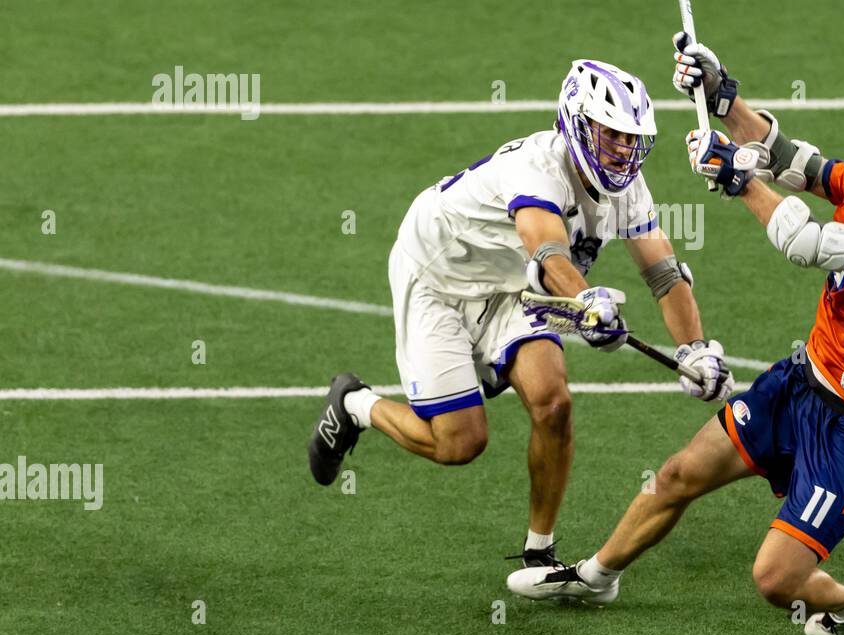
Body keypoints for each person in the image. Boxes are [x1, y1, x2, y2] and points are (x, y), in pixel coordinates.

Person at [508, 36, 844, 635]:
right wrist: (724, 96)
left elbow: (808, 245)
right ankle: (596, 575)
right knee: (676, 475)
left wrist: (739, 181)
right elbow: (790, 158)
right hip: (800, 381)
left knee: (775, 580)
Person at [307, 59, 735, 570]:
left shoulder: (628, 189)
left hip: (514, 288)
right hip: (438, 278)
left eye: (631, 139)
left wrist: (695, 348)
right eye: (612, 135)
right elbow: (547, 253)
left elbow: (664, 276)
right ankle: (355, 404)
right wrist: (586, 303)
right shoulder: (538, 168)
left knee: (554, 405)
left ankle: (539, 553)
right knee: (460, 442)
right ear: (577, 123)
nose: (624, 151)